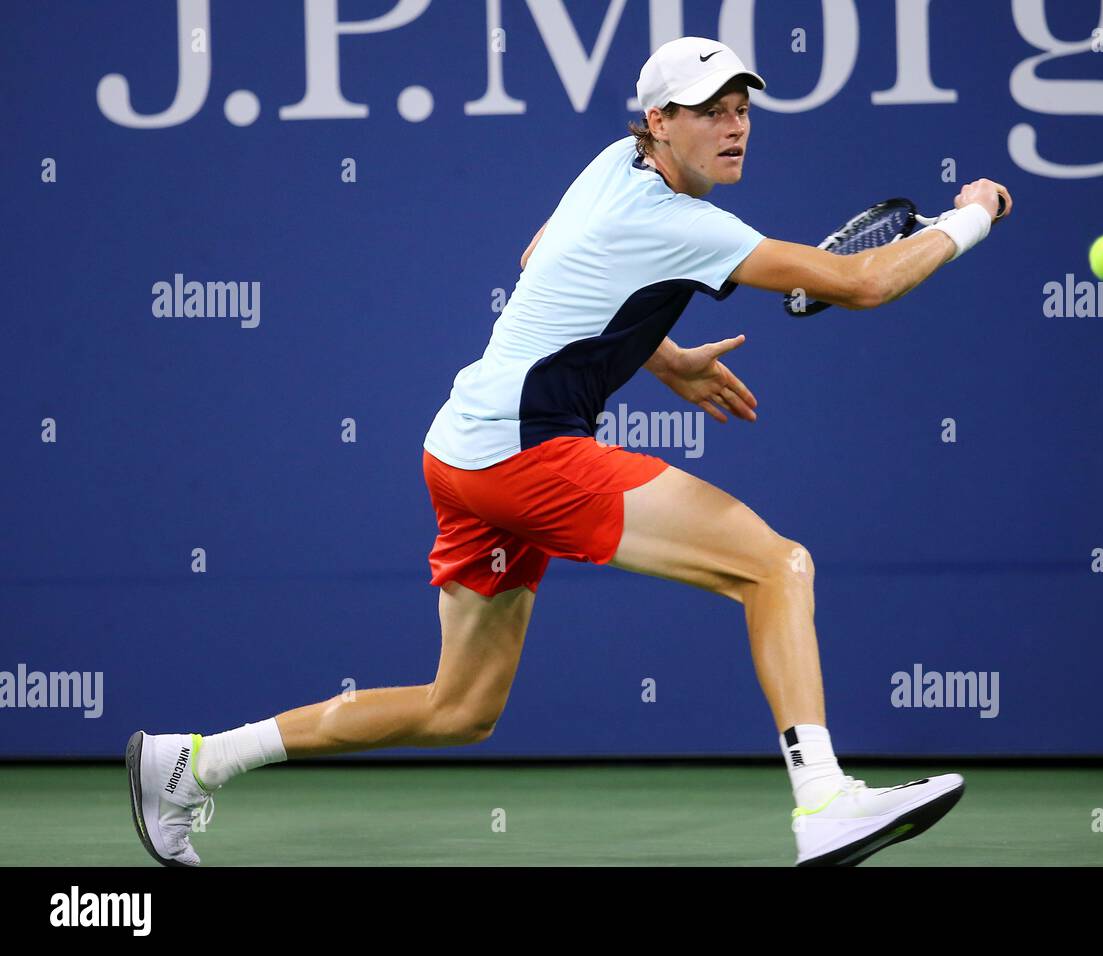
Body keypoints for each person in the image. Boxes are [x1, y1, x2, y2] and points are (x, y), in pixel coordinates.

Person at [127, 36, 1013, 868]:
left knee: (460, 709)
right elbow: (862, 282)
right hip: (524, 454)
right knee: (775, 567)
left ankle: (193, 762)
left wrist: (659, 358)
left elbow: (542, 254)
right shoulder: (686, 225)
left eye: (743, 106)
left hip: (458, 449)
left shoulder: (611, 164)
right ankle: (824, 800)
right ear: (660, 122)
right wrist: (966, 217)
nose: (735, 123)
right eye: (711, 109)